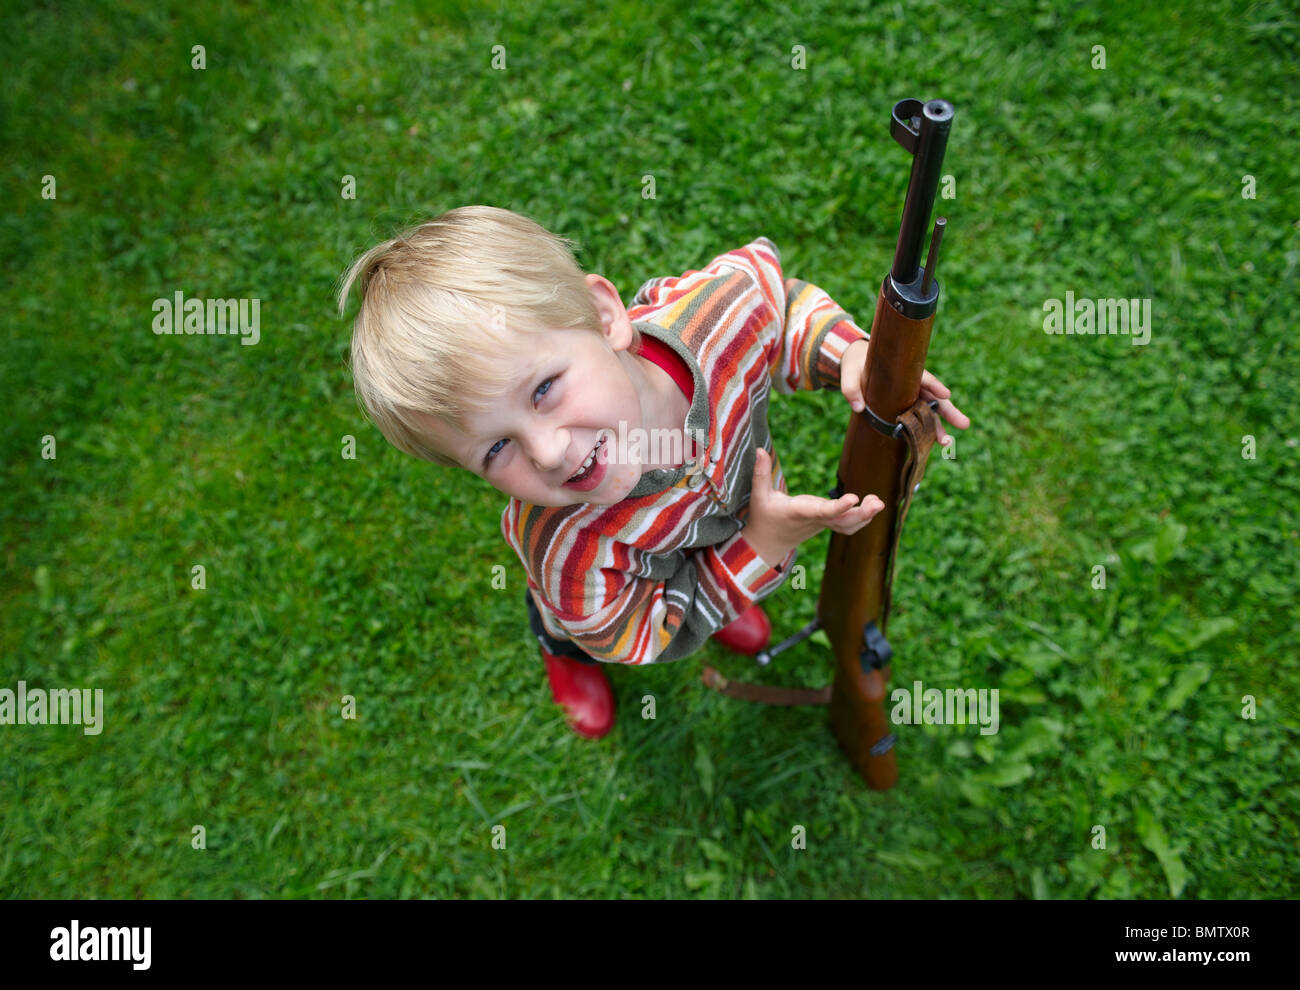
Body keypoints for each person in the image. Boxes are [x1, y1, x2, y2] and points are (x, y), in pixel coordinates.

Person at [337, 205, 968, 739]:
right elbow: (644, 637)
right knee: (582, 627)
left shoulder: (717, 320)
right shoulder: (568, 553)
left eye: (544, 389)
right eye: (496, 450)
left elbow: (782, 307)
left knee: (706, 580)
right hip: (605, 608)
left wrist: (848, 353)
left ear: (605, 316)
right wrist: (759, 548)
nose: (549, 453)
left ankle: (711, 590)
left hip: (704, 529)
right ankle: (565, 651)